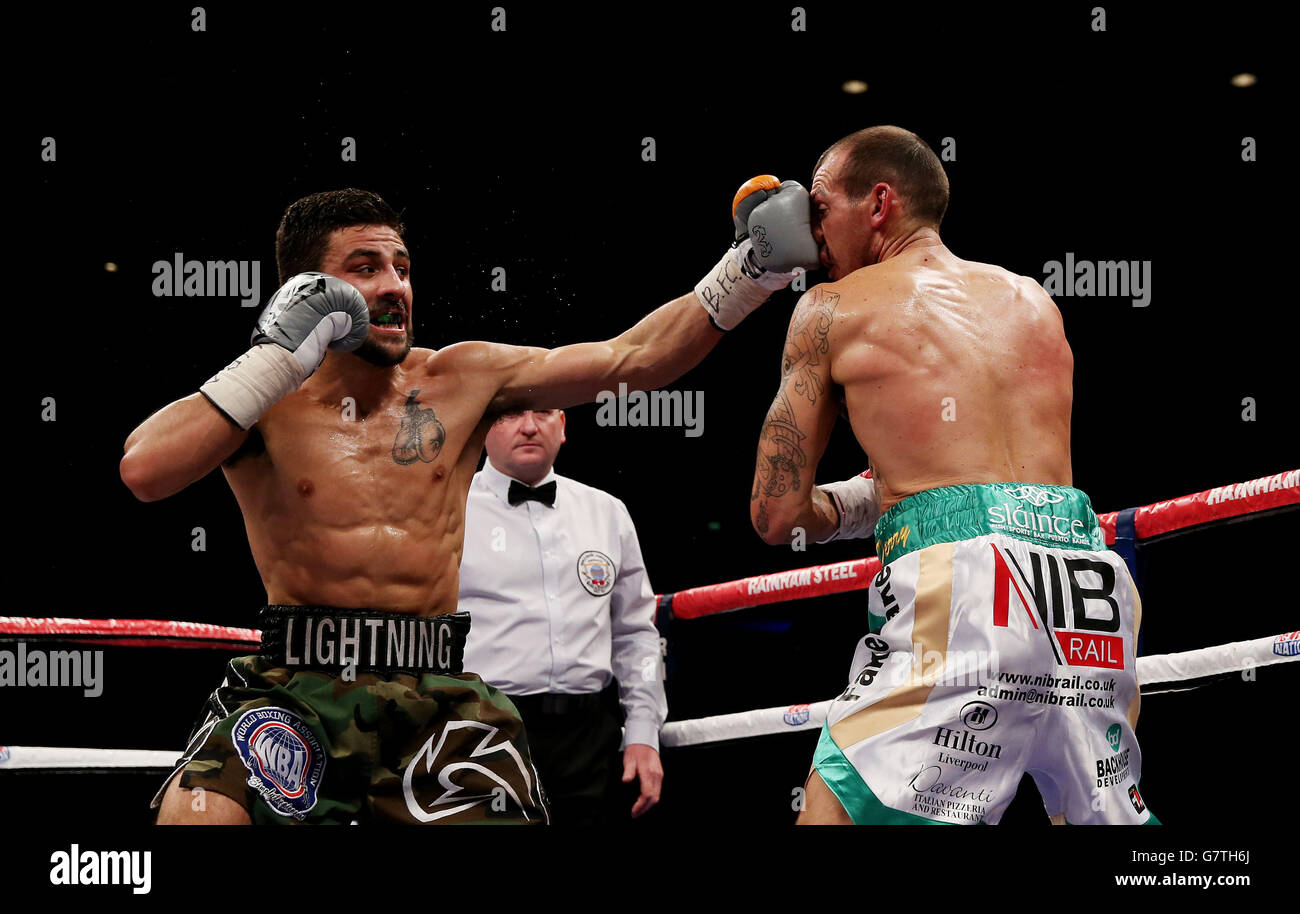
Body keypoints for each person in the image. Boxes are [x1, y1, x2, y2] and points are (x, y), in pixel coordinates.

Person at [124, 180, 817, 824]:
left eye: (401, 267)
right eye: (365, 268)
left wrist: (749, 269)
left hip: (435, 691)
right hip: (293, 684)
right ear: (306, 290)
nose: (394, 285)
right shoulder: (262, 401)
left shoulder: (461, 377)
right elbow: (145, 470)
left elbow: (632, 358)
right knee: (197, 815)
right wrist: (275, 356)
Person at [749, 126, 1156, 825]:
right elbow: (985, 469)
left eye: (819, 206)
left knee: (831, 813)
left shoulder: (827, 307)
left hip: (964, 586)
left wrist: (847, 505)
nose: (810, 231)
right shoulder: (1033, 299)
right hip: (1088, 581)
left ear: (879, 204)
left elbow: (774, 514)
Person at [458, 408, 666, 824]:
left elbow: (636, 633)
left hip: (591, 735)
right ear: (481, 428)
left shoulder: (606, 511)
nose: (530, 426)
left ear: (563, 426)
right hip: (481, 729)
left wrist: (644, 731)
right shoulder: (447, 512)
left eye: (543, 413)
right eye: (511, 414)